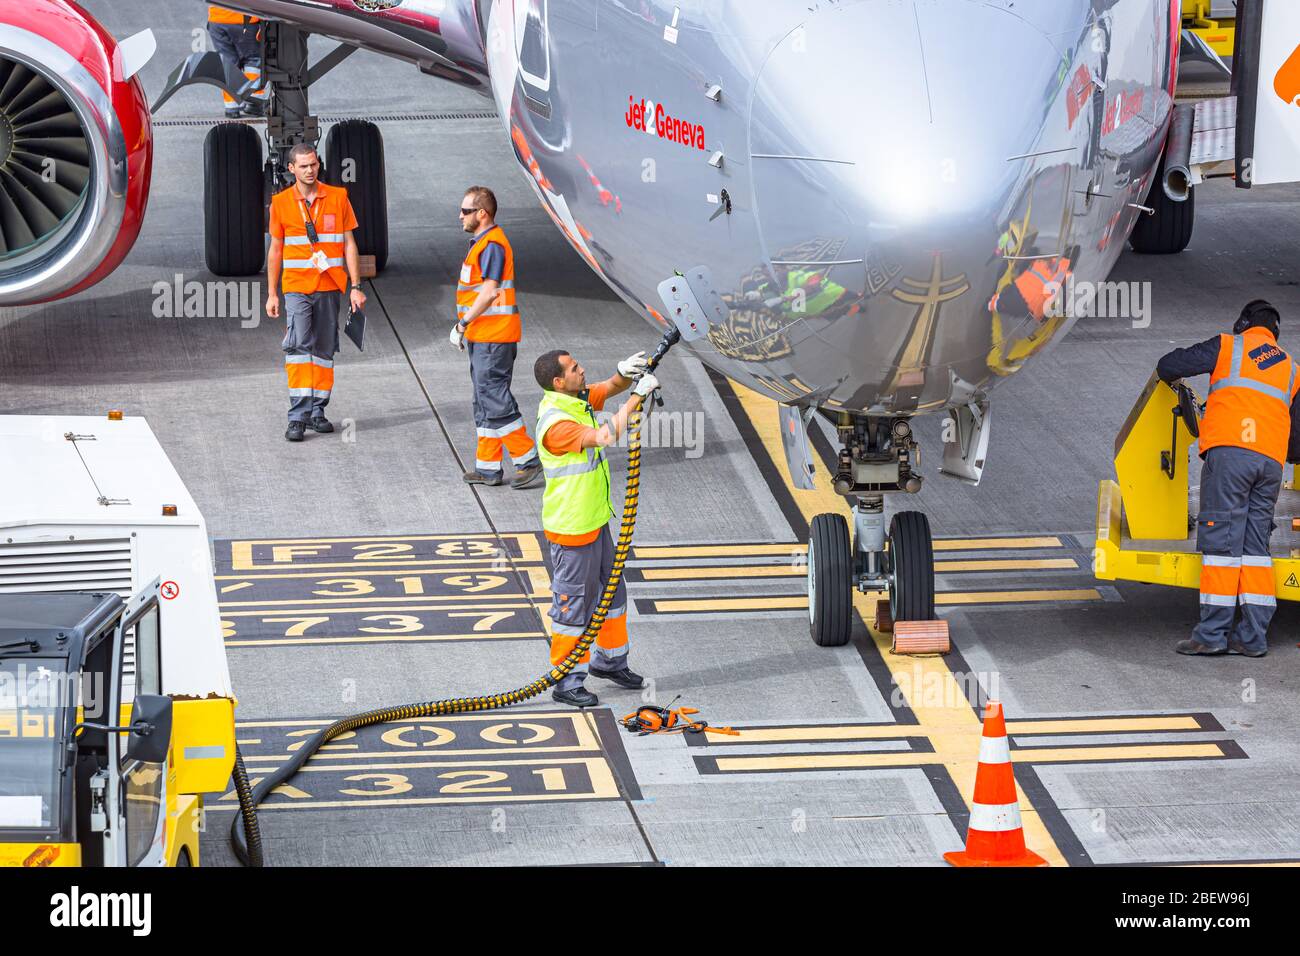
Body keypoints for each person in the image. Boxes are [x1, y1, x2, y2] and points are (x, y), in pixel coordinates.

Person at [1157, 299, 1300, 657]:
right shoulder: (1292, 370)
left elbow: (1169, 365)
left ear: (1242, 323)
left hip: (1230, 456)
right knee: (1255, 550)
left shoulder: (1228, 345)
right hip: (1269, 465)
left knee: (1222, 546)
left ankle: (1211, 635)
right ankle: (1252, 639)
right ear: (1275, 334)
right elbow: (1296, 439)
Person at [533, 348, 660, 707]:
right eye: (575, 369)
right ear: (559, 382)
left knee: (612, 596)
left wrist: (624, 373)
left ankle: (610, 662)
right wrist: (638, 396)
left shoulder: (574, 398)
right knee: (573, 608)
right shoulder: (557, 424)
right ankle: (566, 680)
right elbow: (605, 436)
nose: (582, 370)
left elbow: (606, 389)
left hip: (594, 521)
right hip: (572, 531)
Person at [265, 143, 366, 442]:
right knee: (298, 346)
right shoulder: (281, 203)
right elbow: (276, 251)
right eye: (304, 166)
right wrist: (272, 293)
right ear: (291, 169)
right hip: (296, 287)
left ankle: (317, 411)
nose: (310, 170)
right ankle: (298, 415)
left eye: (314, 164)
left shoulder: (338, 197)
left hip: (330, 285)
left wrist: (356, 287)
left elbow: (349, 244)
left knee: (323, 349)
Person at [451, 187, 543, 489]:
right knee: (483, 399)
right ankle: (488, 468)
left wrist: (463, 323)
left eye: (465, 211)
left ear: (482, 213)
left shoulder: (492, 245)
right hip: (484, 336)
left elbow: (490, 293)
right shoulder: (482, 243)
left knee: (493, 397)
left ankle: (527, 458)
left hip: (493, 337)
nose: (460, 216)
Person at [206, 6, 269, 118]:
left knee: (228, 64)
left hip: (217, 20)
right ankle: (254, 101)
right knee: (253, 60)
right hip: (243, 20)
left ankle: (231, 107)